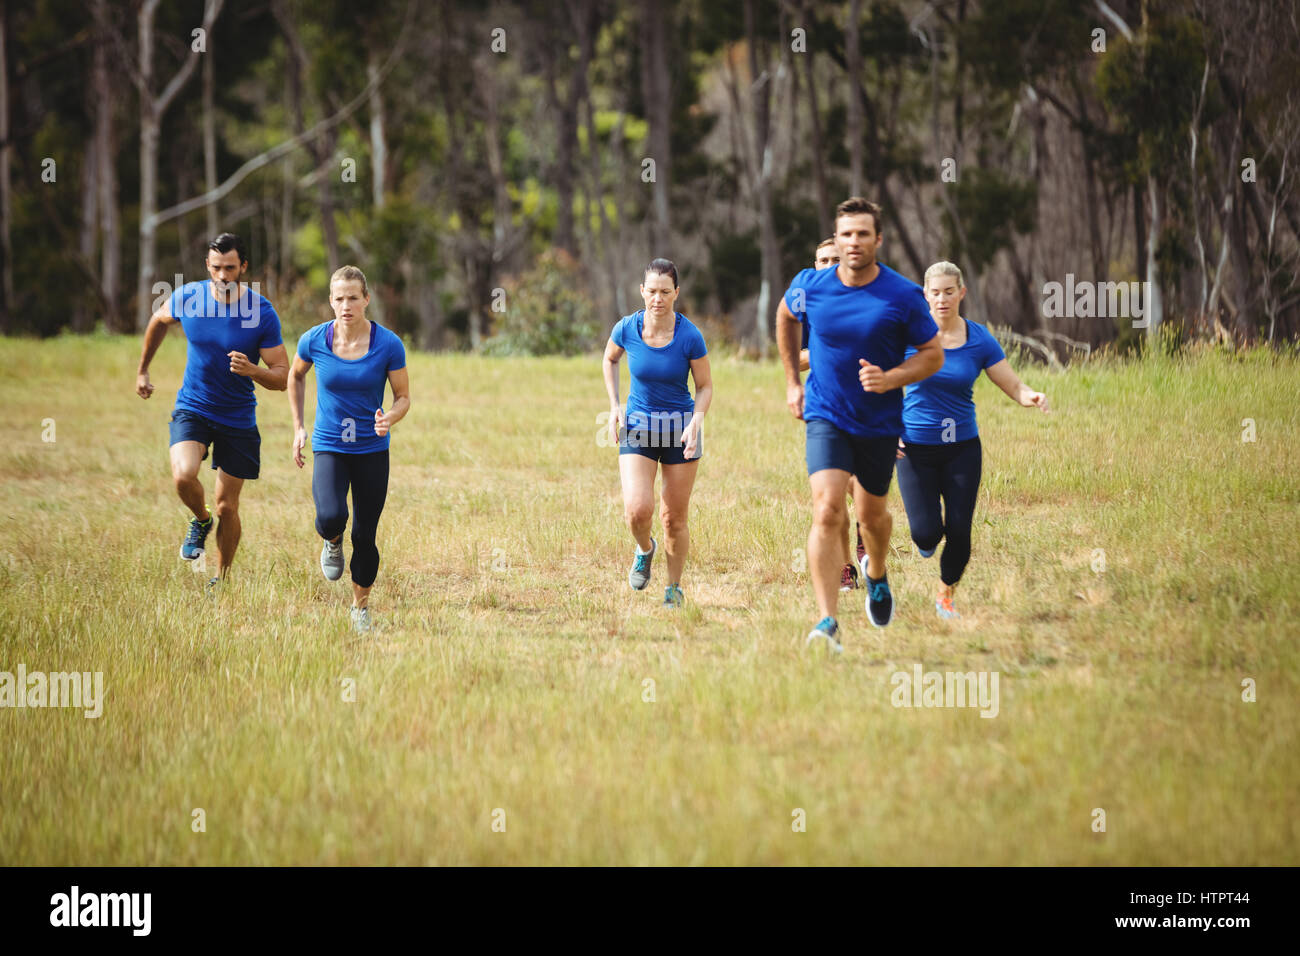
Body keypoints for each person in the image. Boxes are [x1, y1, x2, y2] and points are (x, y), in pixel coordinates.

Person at [777, 198, 943, 651]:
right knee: (828, 509)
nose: (853, 242)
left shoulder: (902, 294)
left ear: (878, 240)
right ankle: (827, 620)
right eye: (846, 233)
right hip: (826, 414)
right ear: (837, 236)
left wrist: (891, 378)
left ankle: (877, 572)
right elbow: (785, 317)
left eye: (862, 234)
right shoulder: (812, 285)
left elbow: (933, 355)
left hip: (878, 421)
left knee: (872, 517)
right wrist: (793, 382)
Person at [136, 232, 288, 593]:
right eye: (216, 267)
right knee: (184, 476)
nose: (223, 275)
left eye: (230, 268)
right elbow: (158, 321)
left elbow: (282, 377)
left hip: (237, 417)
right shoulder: (188, 296)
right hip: (194, 407)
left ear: (243, 268)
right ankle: (199, 521)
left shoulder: (260, 312)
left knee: (227, 507)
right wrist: (143, 369)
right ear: (208, 265)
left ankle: (223, 579)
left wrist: (254, 371)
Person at [896, 260, 1049, 619]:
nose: (943, 299)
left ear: (961, 293)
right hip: (914, 449)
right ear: (925, 295)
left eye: (950, 291)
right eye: (935, 292)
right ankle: (927, 542)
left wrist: (1030, 396)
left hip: (962, 449)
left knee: (961, 533)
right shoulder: (907, 335)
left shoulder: (979, 338)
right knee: (926, 534)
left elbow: (1011, 383)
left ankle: (945, 594)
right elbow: (879, 384)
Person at [289, 266, 410, 634]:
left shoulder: (388, 344)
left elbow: (403, 396)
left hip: (372, 448)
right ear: (330, 301)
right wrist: (298, 427)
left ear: (366, 300)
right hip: (329, 444)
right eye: (339, 298)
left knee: (366, 534)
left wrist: (389, 417)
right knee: (329, 517)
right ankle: (332, 541)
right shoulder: (313, 340)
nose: (346, 305)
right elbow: (295, 376)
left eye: (353, 297)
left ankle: (360, 607)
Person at [602, 258, 713, 609]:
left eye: (666, 292)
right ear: (642, 291)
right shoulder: (626, 328)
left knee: (673, 517)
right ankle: (644, 549)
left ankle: (673, 588)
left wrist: (697, 420)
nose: (658, 298)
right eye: (651, 291)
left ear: (676, 293)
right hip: (638, 426)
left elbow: (705, 385)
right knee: (637, 511)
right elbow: (609, 360)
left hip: (681, 431)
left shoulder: (690, 335)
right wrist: (615, 405)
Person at [795, 236, 863, 592]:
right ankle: (845, 568)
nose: (827, 265)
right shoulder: (807, 301)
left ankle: (866, 528)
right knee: (831, 494)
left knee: (862, 485)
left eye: (834, 259)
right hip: (825, 405)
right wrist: (826, 348)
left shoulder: (867, 295)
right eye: (822, 260)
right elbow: (796, 355)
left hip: (866, 402)